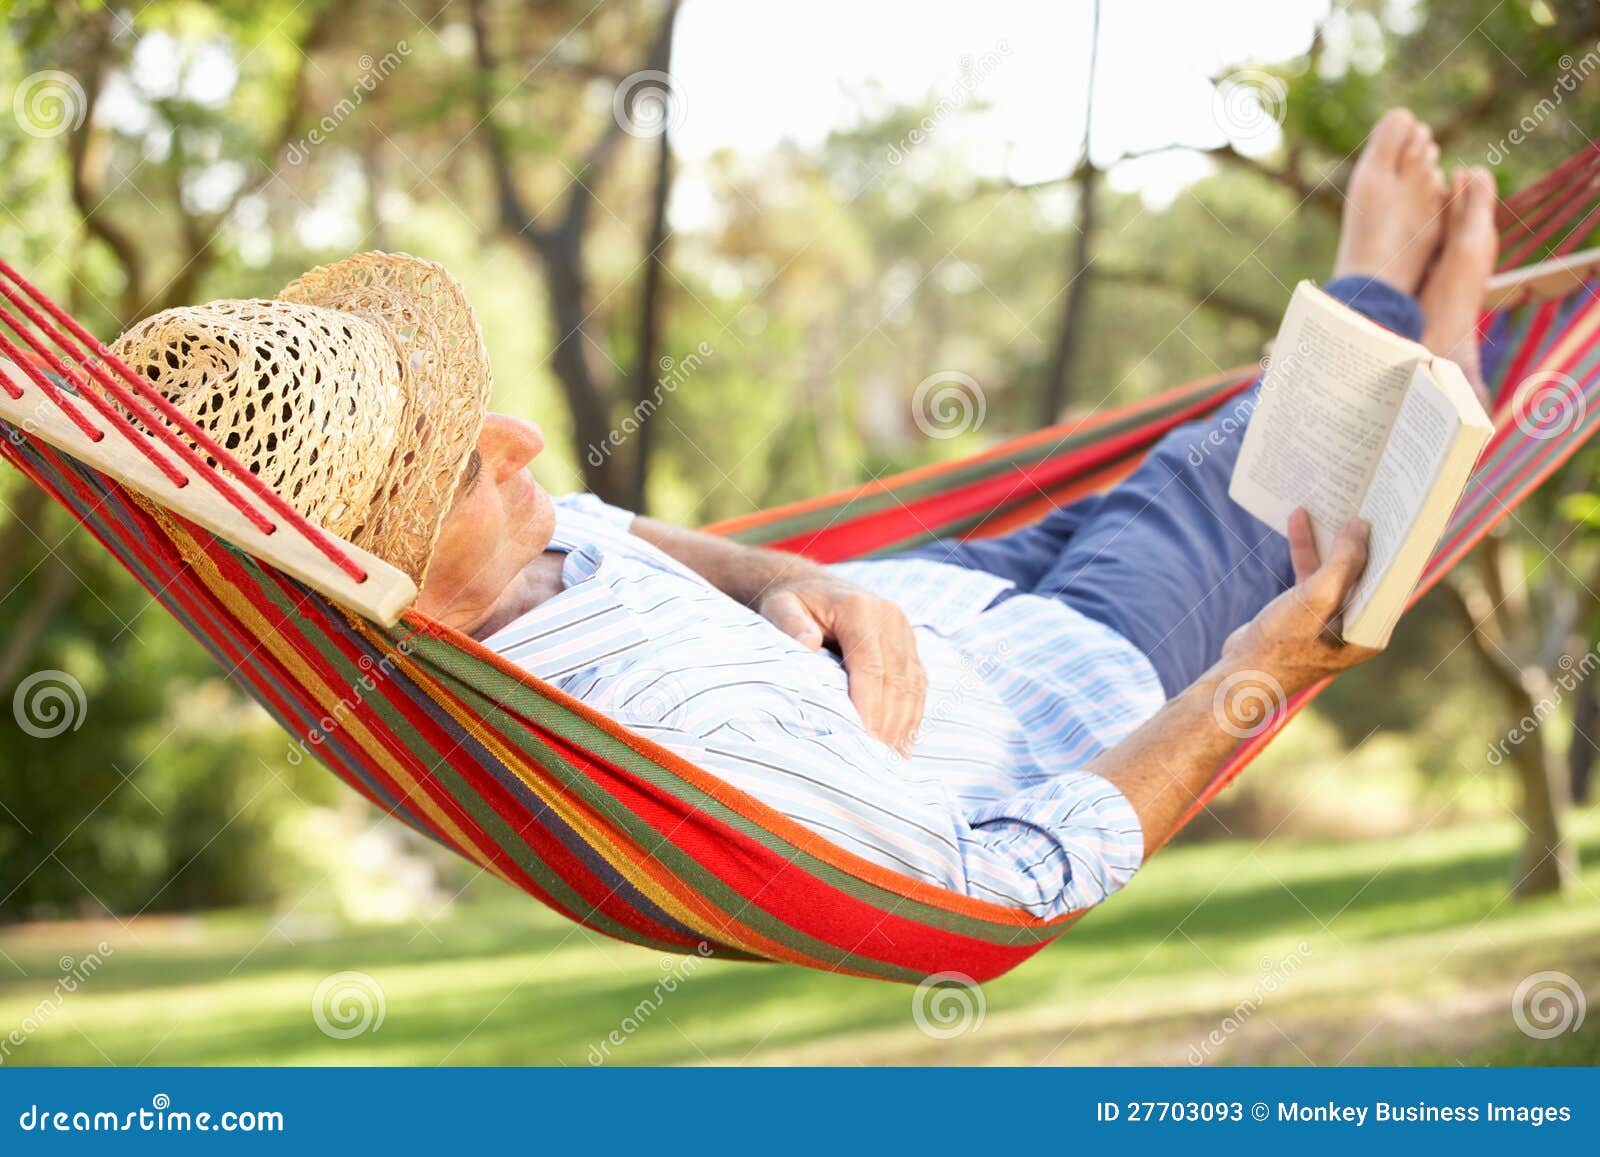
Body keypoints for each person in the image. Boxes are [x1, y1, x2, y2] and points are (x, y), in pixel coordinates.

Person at [110, 109, 1498, 919]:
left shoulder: (503, 561)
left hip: (944, 586)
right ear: (386, 578)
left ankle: (1437, 368)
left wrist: (783, 575)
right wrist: (1260, 679)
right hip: (1082, 674)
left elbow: (625, 534)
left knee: (1199, 474)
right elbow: (998, 884)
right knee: (1232, 467)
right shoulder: (645, 744)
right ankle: (1394, 303)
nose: (527, 443)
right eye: (471, 466)